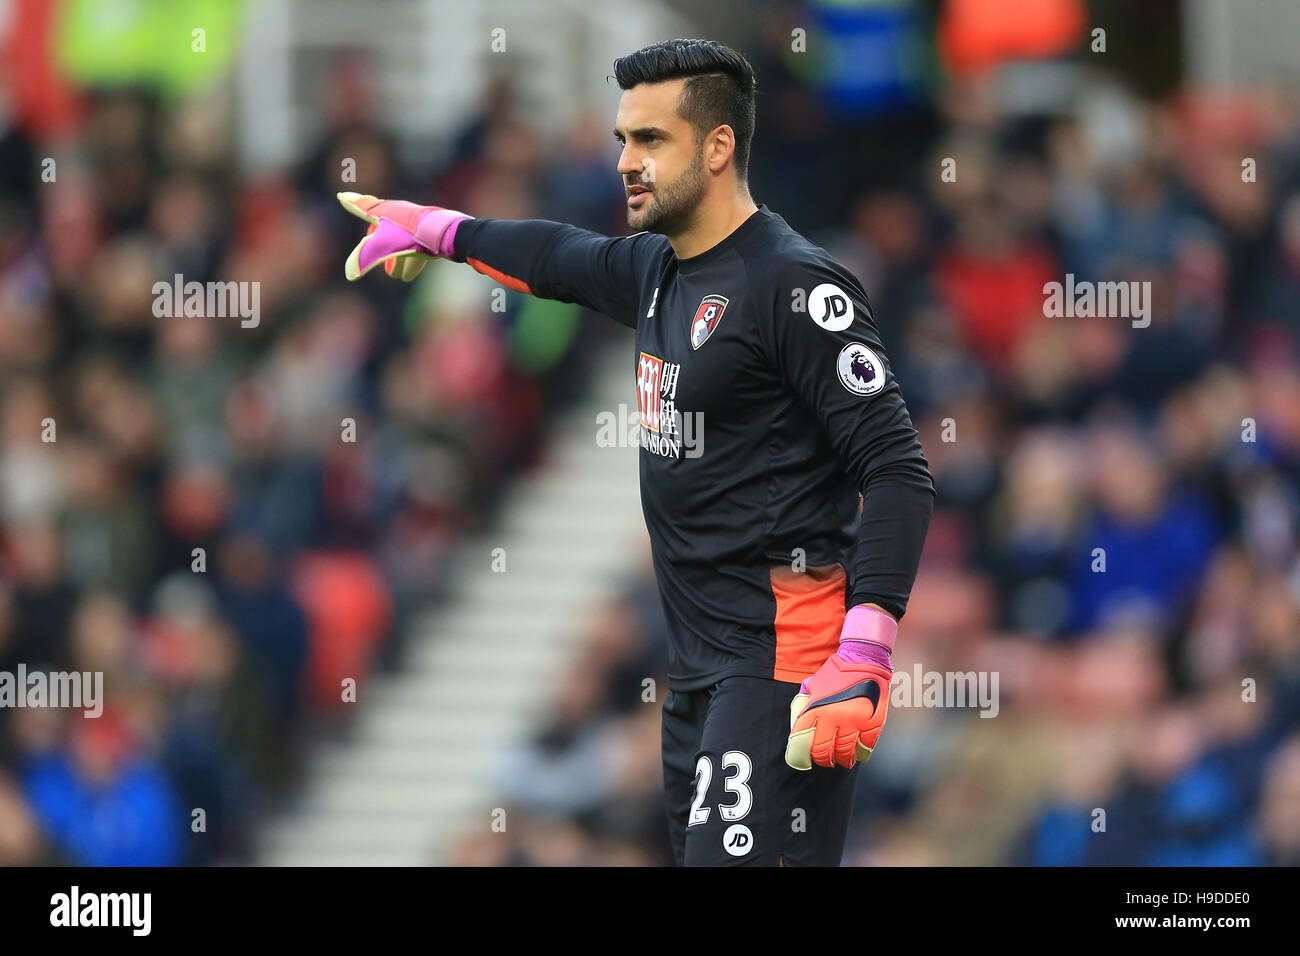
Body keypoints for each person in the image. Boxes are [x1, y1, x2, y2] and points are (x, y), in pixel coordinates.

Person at [339, 38, 934, 866]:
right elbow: (556, 258)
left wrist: (865, 650)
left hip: (780, 675)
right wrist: (438, 229)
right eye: (623, 139)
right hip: (696, 679)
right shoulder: (660, 270)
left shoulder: (797, 288)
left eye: (651, 139)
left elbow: (898, 468)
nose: (627, 161)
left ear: (719, 147)